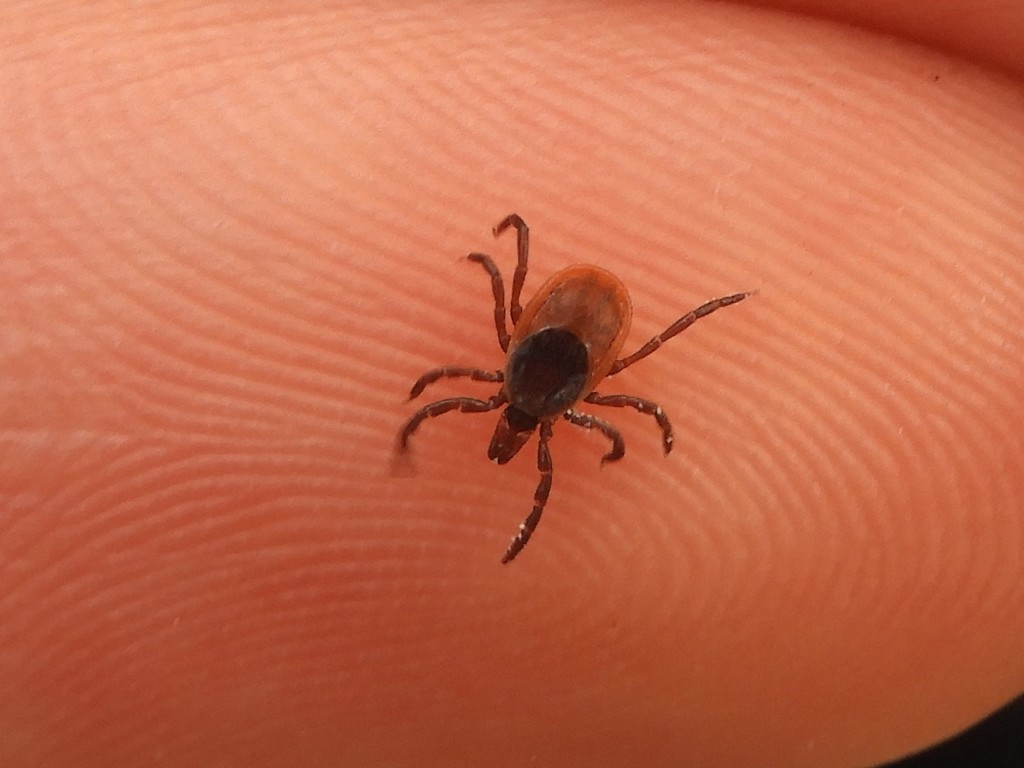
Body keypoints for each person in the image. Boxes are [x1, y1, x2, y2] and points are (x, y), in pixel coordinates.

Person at [2, 2, 1021, 766]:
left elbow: (495, 349)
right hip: (591, 318)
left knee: (622, 338)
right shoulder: (565, 397)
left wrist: (606, 425)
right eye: (516, 412)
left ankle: (689, 316)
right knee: (639, 350)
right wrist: (630, 433)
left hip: (582, 312)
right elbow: (603, 400)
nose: (511, 422)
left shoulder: (512, 377)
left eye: (512, 411)